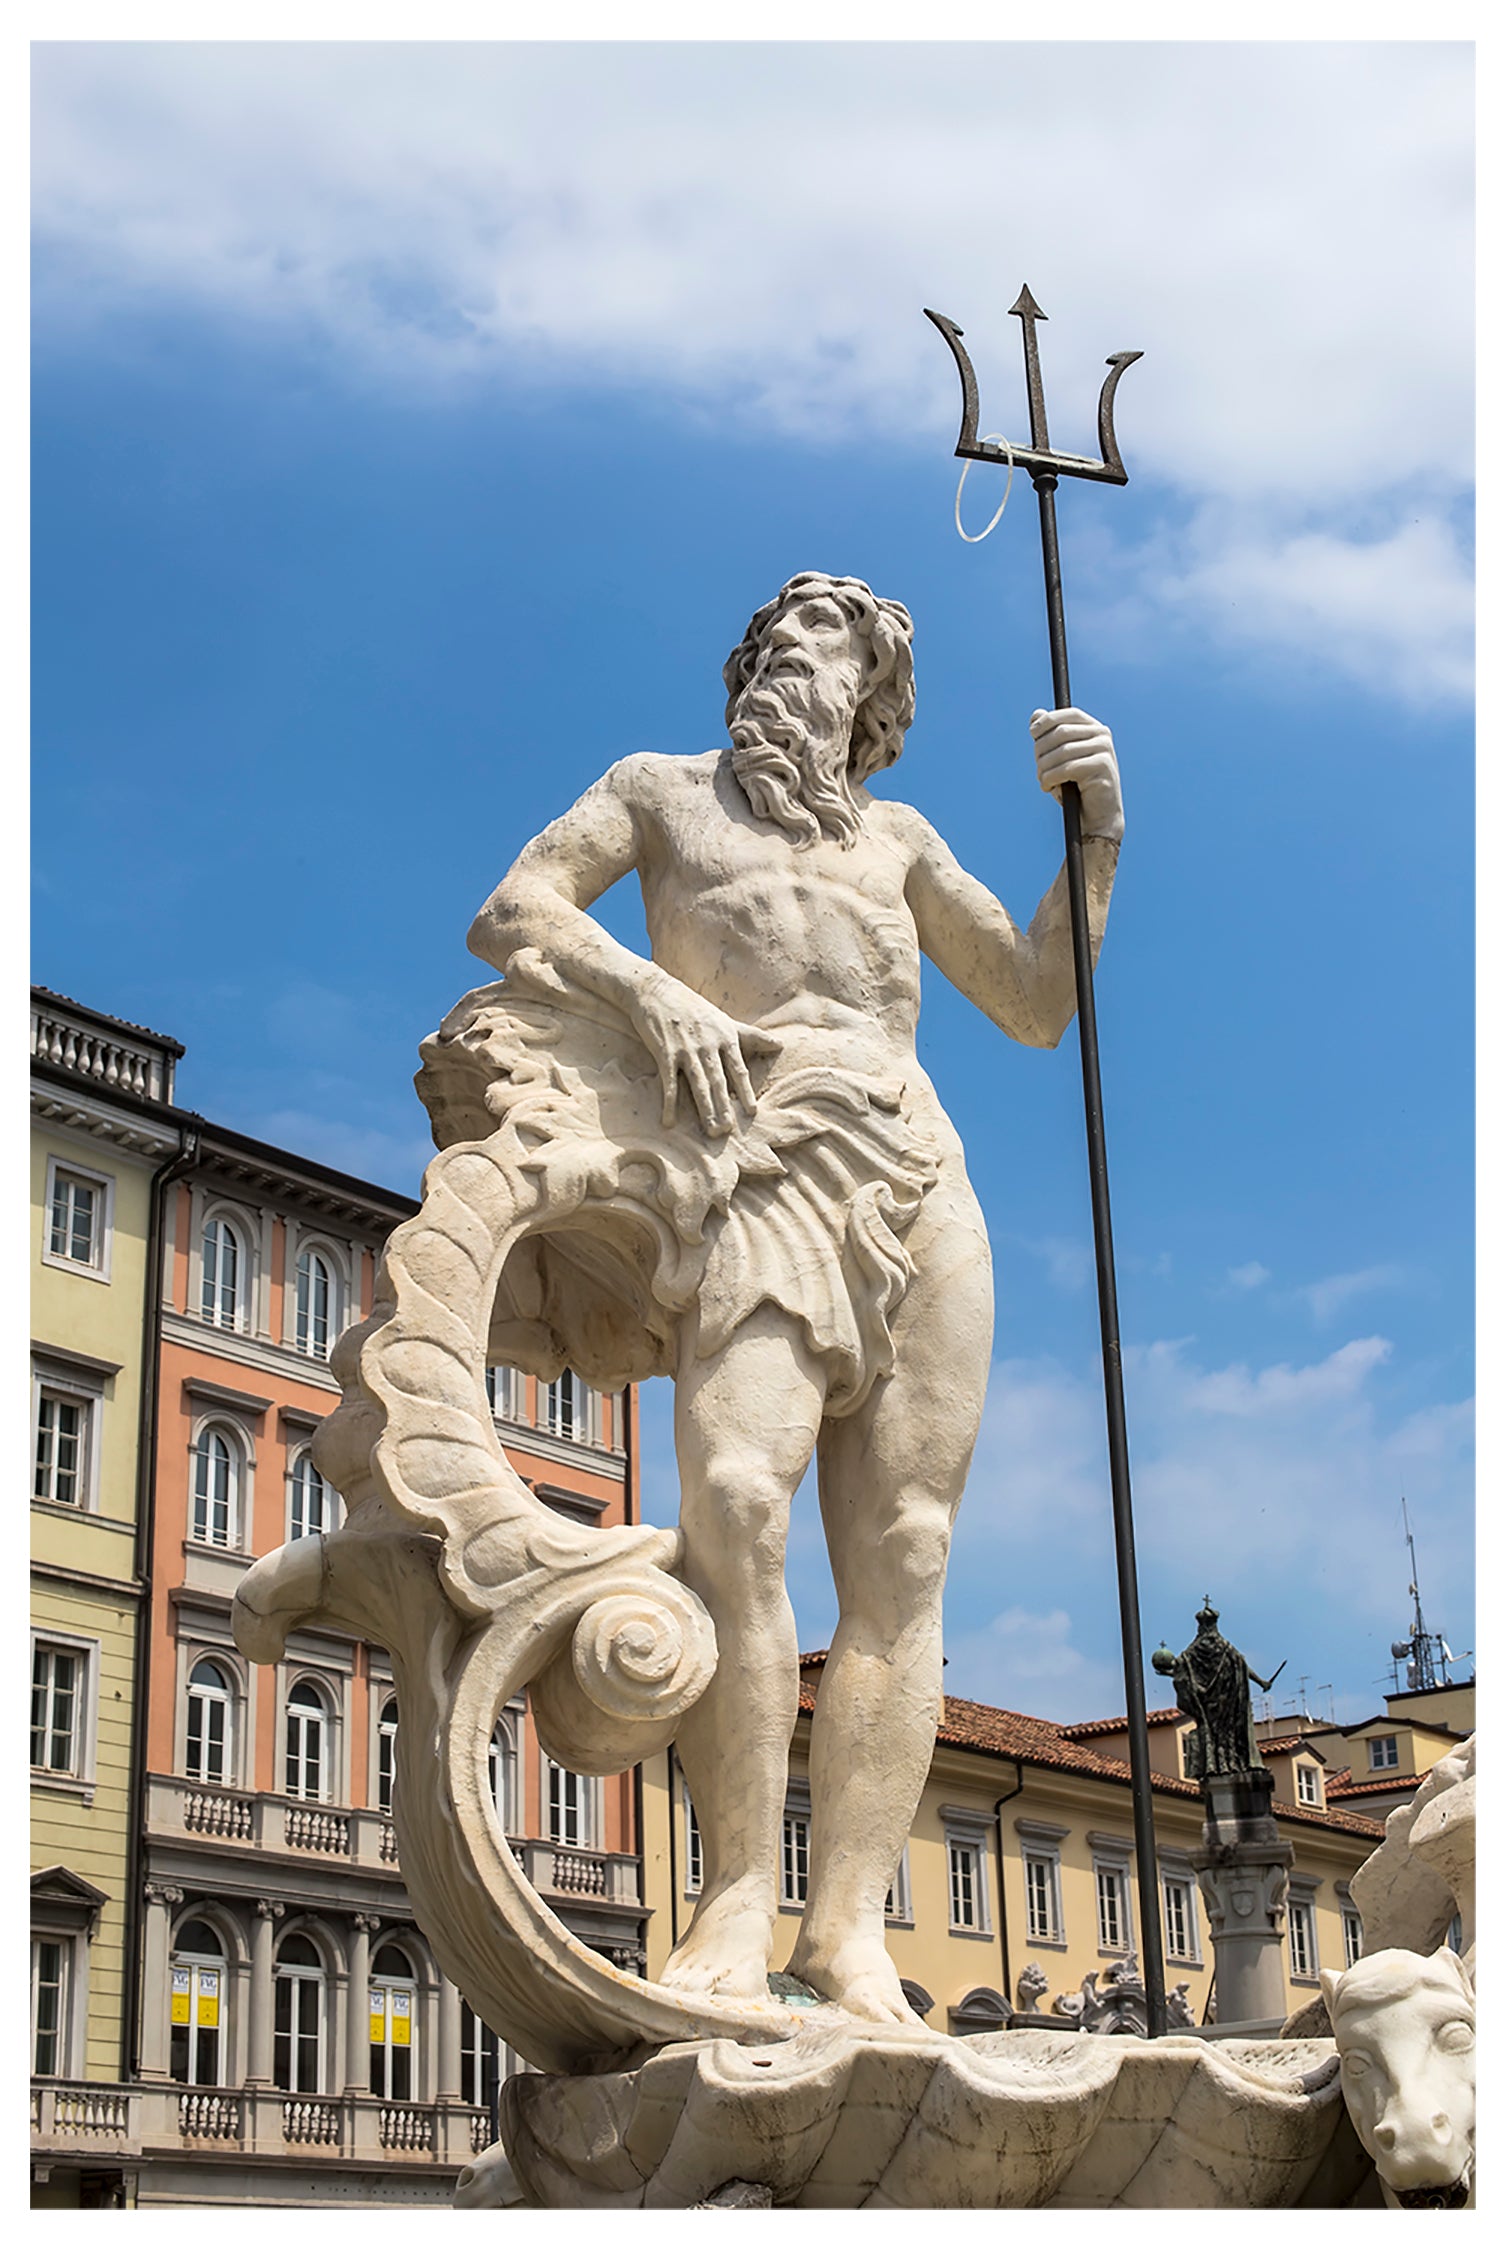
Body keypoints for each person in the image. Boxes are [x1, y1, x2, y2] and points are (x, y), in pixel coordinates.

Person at [467, 571, 1123, 2022]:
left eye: (823, 639)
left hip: (919, 1176)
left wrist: (1097, 844)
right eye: (772, 636)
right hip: (756, 1165)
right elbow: (515, 904)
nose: (786, 654)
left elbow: (1031, 998)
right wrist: (659, 994)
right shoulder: (663, 792)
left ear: (871, 700)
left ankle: (851, 1934)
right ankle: (735, 1905)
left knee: (906, 1546)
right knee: (737, 1502)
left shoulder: (899, 840)